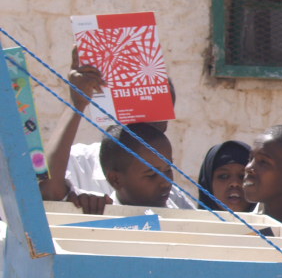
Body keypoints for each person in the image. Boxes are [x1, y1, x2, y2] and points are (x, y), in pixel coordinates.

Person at [41, 64, 195, 211]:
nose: (147, 130)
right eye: (141, 111)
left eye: (161, 116)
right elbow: (48, 188)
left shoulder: (170, 194)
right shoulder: (79, 162)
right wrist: (77, 104)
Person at [97, 123, 189, 209]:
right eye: (152, 175)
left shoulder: (176, 200)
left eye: (168, 170)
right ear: (116, 180)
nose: (166, 183)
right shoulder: (104, 219)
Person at [196, 140, 251, 212]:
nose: (235, 183)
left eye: (243, 176)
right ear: (208, 184)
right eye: (224, 176)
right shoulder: (185, 223)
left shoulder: (269, 222)